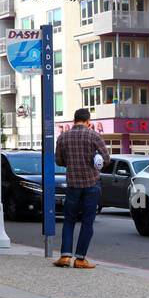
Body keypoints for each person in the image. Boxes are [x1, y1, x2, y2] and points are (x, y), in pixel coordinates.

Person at [53, 109, 110, 269]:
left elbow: (59, 161)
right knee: (87, 222)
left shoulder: (63, 137)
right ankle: (80, 259)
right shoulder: (94, 136)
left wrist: (72, 163)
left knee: (69, 220)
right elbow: (106, 159)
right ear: (88, 121)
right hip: (91, 184)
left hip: (72, 184)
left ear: (74, 120)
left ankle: (65, 256)